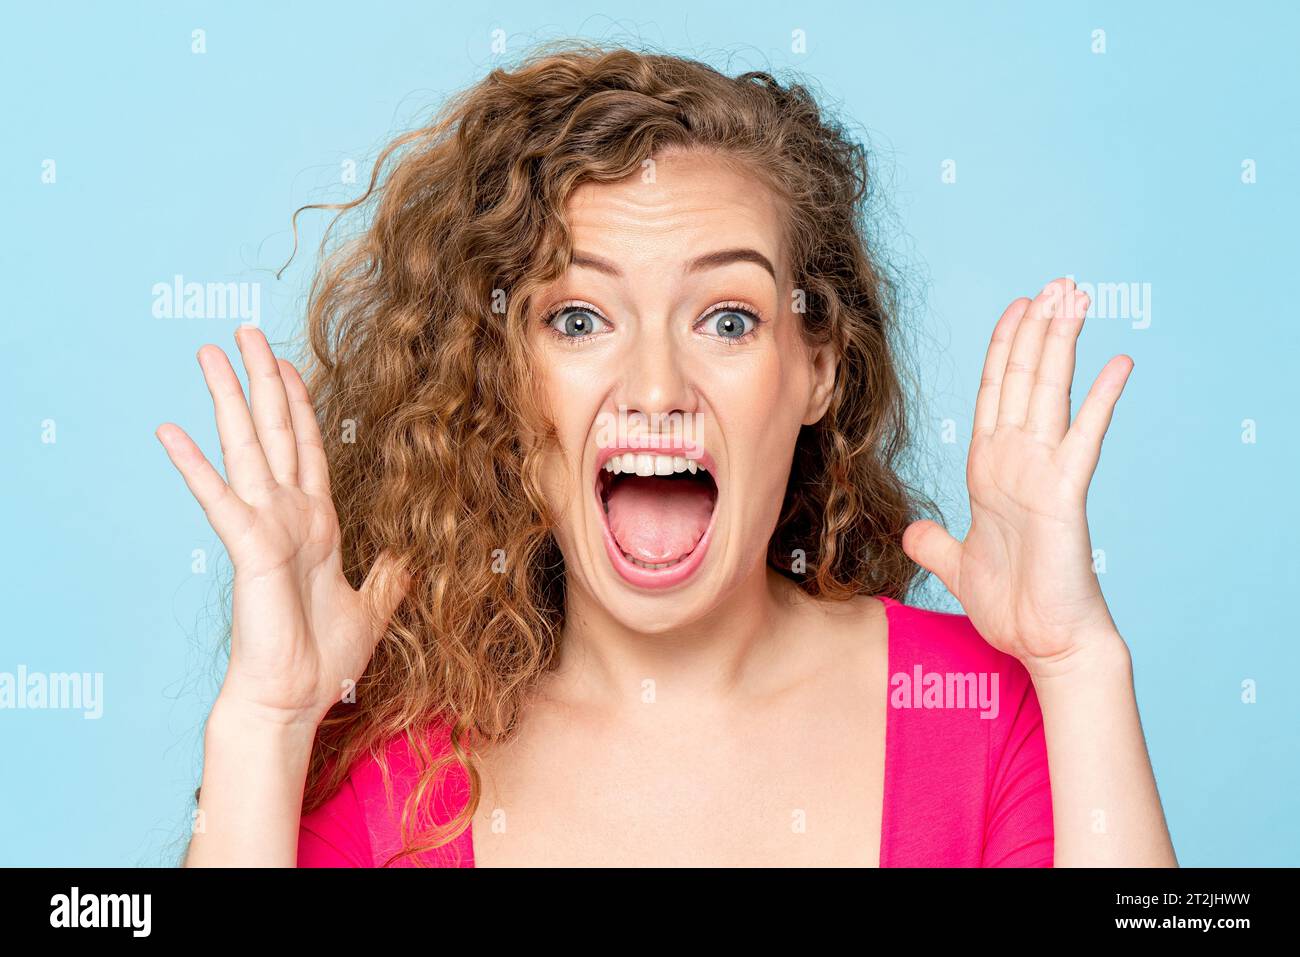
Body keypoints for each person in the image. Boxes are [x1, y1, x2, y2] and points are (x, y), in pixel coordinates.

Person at [157, 44, 1176, 867]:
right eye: (581, 318)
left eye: (727, 320)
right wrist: (267, 725)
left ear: (817, 366)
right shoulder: (398, 782)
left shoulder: (979, 713)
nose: (653, 388)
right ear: (503, 380)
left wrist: (1079, 668)